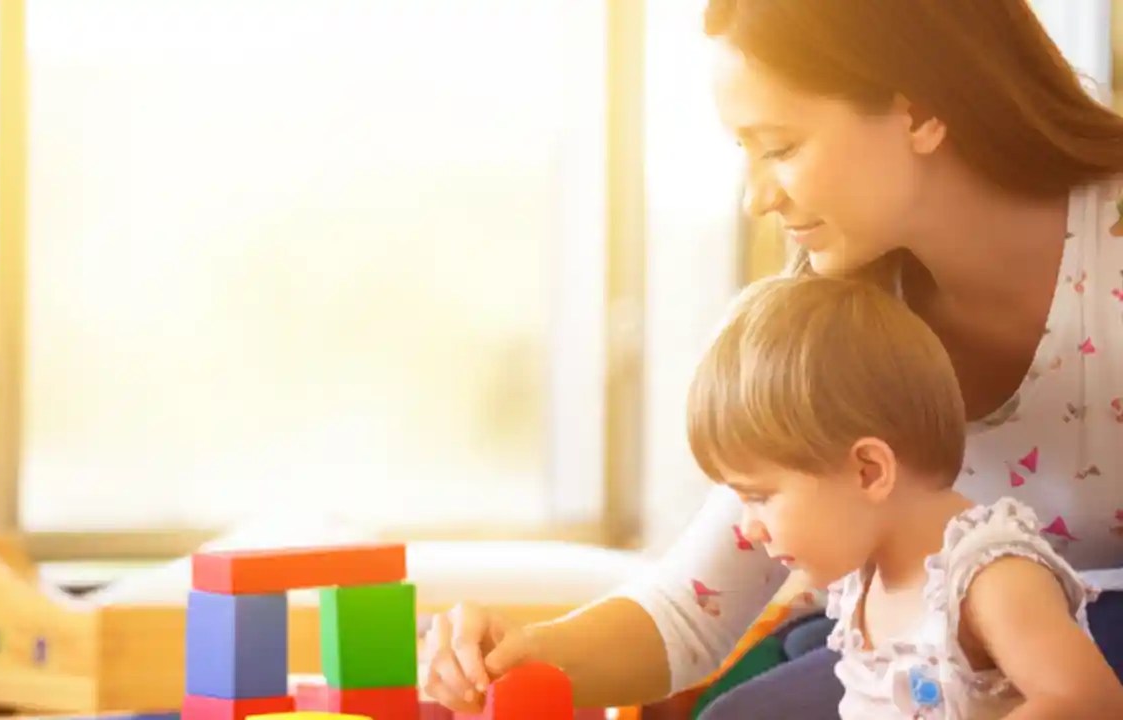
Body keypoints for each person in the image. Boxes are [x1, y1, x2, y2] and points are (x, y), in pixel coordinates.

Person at [422, 0, 1123, 717]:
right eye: (747, 153)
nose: (756, 199)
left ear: (918, 112)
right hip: (939, 656)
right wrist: (517, 659)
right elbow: (692, 609)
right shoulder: (840, 325)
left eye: (780, 148)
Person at [686, 273, 1123, 718]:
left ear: (869, 471)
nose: (748, 528)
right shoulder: (867, 578)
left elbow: (1089, 702)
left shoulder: (988, 579)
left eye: (759, 497)